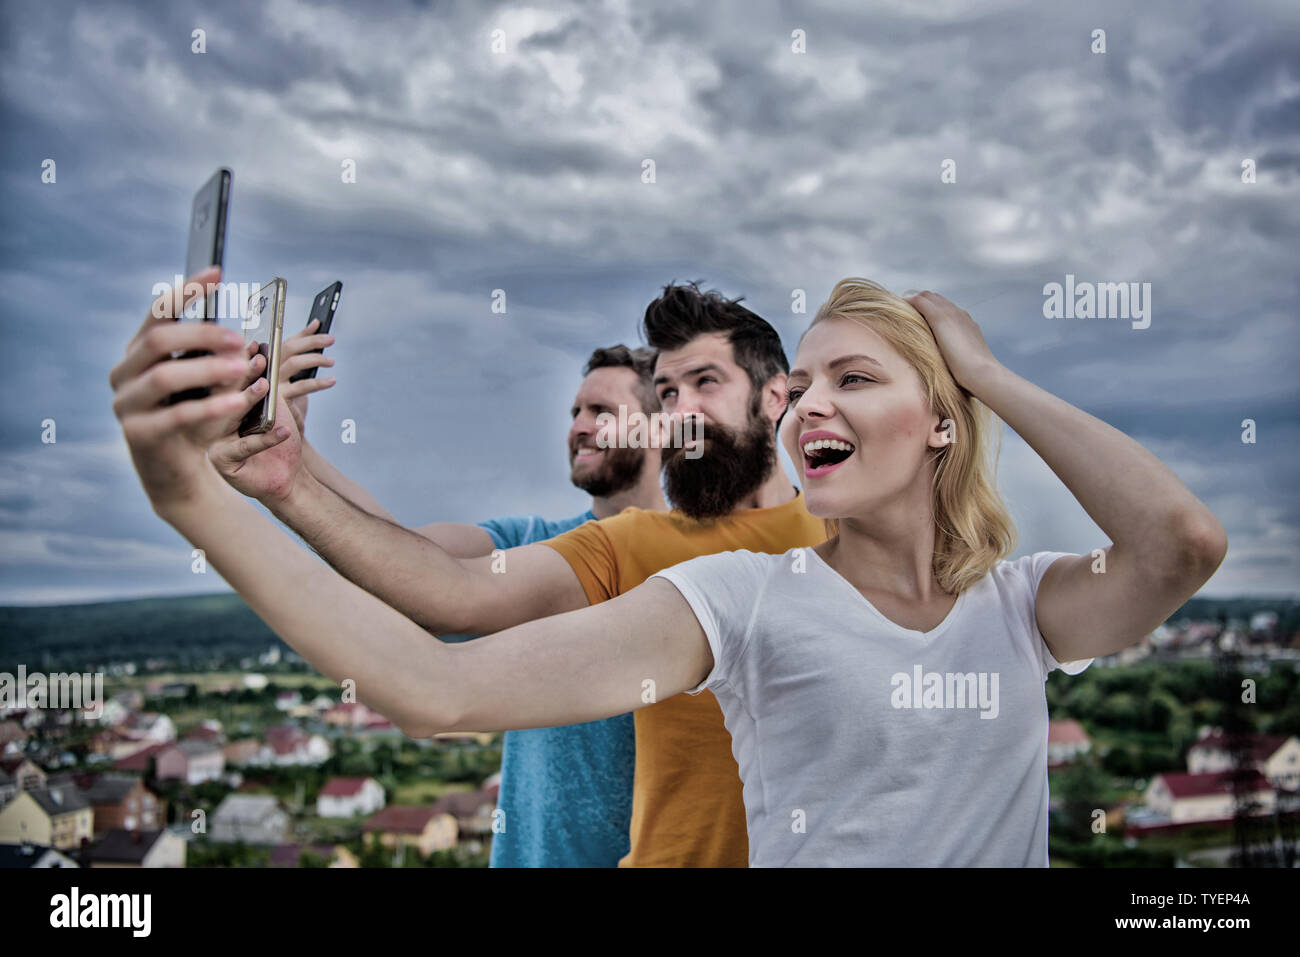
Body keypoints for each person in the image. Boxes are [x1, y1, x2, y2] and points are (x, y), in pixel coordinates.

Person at [113, 275, 1225, 864]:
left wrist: (985, 374)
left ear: (941, 422)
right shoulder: (730, 598)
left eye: (852, 379)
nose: (812, 403)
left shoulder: (1019, 605)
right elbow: (438, 672)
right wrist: (199, 495)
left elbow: (1180, 545)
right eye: (805, 383)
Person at [118, 268, 827, 867]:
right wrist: (288, 472)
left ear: (775, 397)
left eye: (704, 383)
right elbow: (422, 578)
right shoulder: (601, 545)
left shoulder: (846, 536)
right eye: (670, 392)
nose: (680, 413)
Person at [249, 323, 664, 867]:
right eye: (574, 413)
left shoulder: (696, 563)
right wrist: (295, 455)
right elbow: (405, 556)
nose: (580, 428)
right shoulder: (532, 542)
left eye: (602, 413)